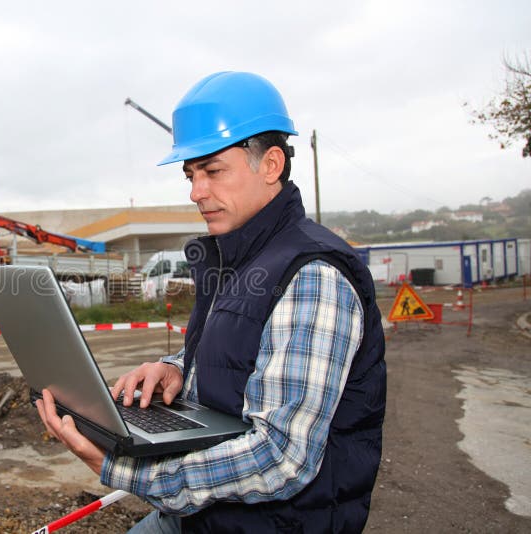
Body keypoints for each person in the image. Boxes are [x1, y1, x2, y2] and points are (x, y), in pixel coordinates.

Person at [36, 71, 386, 533]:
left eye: (213, 171)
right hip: (204, 517)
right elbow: (243, 348)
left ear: (271, 164)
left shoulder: (312, 275)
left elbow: (281, 457)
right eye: (191, 175)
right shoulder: (240, 257)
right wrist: (177, 367)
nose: (196, 192)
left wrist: (124, 469)